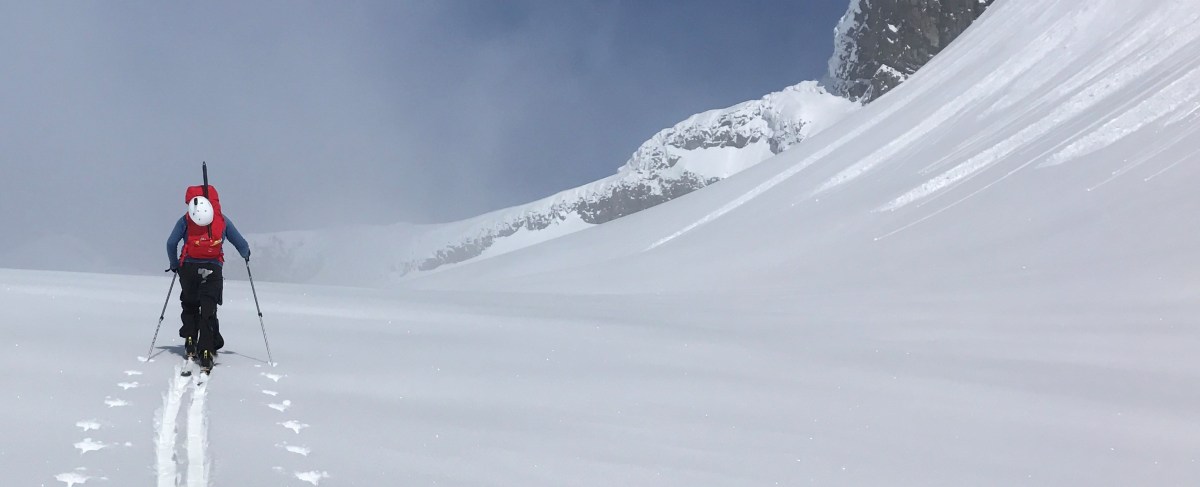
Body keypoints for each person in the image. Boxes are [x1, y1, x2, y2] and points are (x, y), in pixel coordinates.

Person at [166, 183, 250, 373]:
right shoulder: (222, 220)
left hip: (188, 268)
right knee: (208, 309)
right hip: (213, 268)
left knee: (189, 304)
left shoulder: (186, 219)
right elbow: (241, 244)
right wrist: (246, 254)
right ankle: (206, 351)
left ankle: (189, 341)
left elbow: (171, 243)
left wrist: (174, 264)